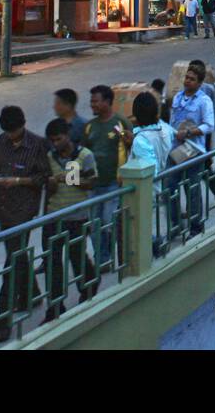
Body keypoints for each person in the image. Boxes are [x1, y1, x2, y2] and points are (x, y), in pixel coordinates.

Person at [0, 106, 50, 343]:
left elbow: (44, 177)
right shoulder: (1, 140)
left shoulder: (37, 145)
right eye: (7, 132)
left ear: (23, 125)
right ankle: (31, 294)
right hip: (3, 206)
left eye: (14, 132)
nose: (11, 136)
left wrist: (19, 181)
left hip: (24, 208)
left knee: (11, 262)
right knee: (16, 253)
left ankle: (2, 321)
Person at [42, 117, 99, 321]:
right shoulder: (50, 157)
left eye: (58, 139)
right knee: (52, 262)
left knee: (77, 255)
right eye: (52, 140)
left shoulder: (84, 155)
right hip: (53, 216)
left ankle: (89, 286)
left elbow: (91, 182)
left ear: (67, 136)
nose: (55, 144)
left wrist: (66, 178)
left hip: (77, 216)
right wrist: (50, 183)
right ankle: (55, 306)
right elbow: (48, 186)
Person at [82, 86, 130, 268]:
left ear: (108, 102)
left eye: (96, 101)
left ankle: (114, 254)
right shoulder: (90, 127)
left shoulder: (120, 122)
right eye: (92, 101)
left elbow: (132, 146)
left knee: (110, 223)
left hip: (114, 184)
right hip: (94, 186)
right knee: (95, 225)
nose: (92, 104)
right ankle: (103, 260)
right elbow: (82, 153)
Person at [169, 66, 215, 235]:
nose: (187, 81)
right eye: (186, 77)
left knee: (192, 189)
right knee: (170, 187)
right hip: (175, 149)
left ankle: (196, 226)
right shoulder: (178, 97)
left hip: (193, 150)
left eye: (192, 79)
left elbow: (209, 125)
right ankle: (175, 225)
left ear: (200, 82)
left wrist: (189, 132)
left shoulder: (204, 101)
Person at [127, 92, 176, 250]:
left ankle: (156, 247)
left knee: (144, 231)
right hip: (159, 185)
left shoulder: (141, 140)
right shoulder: (165, 129)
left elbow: (149, 169)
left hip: (145, 190)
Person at [189, 59, 215, 149]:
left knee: (204, 158)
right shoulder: (182, 91)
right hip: (188, 132)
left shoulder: (208, 89)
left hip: (203, 131)